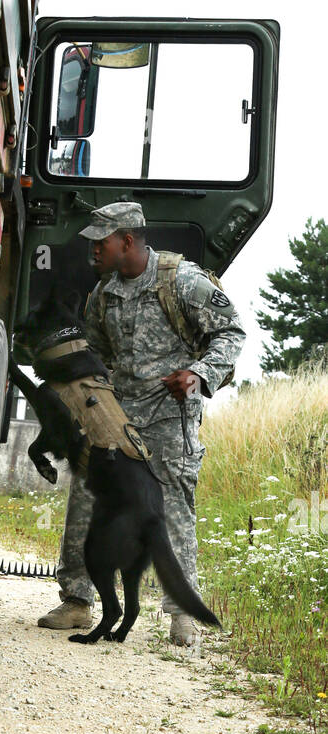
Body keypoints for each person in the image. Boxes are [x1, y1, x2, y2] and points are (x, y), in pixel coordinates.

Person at [37, 201, 245, 645]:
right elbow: (95, 350)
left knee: (172, 505)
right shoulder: (103, 293)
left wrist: (200, 375)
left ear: (127, 241)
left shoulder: (183, 282)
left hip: (171, 414)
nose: (94, 250)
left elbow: (232, 333)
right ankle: (77, 600)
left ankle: (180, 615)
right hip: (117, 416)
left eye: (102, 242)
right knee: (87, 496)